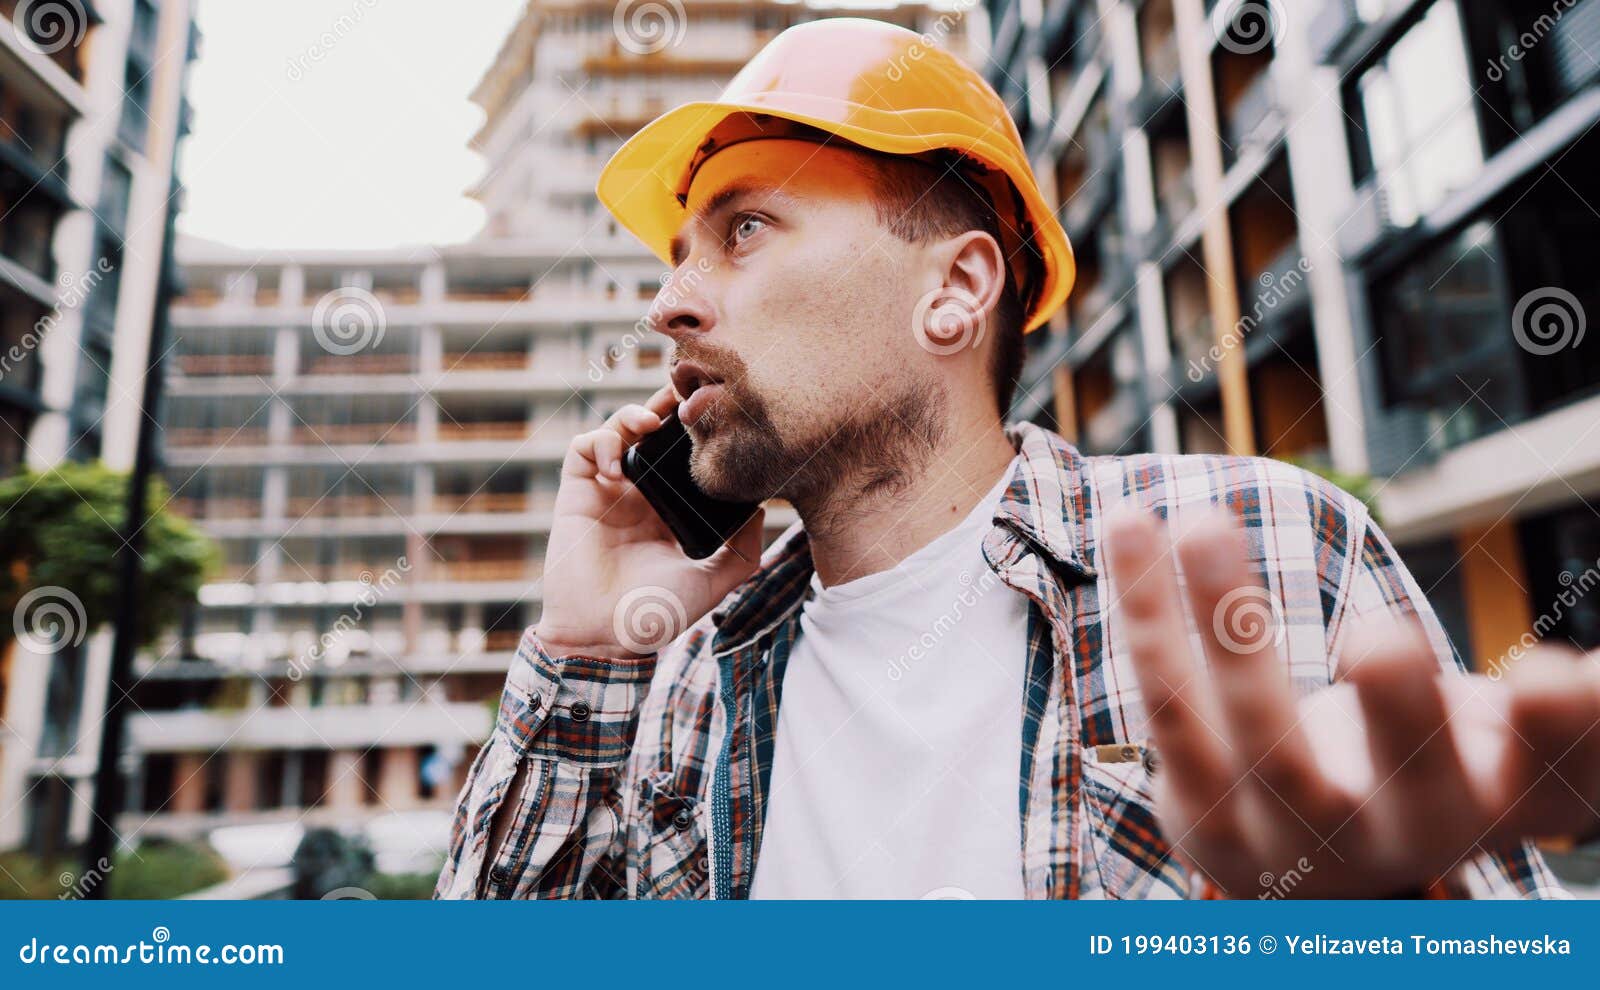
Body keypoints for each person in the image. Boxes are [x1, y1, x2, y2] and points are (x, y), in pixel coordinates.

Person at [434, 18, 1598, 899]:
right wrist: (590, 653)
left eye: (744, 229)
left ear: (954, 289)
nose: (670, 305)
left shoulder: (1262, 549)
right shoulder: (682, 679)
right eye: (677, 256)